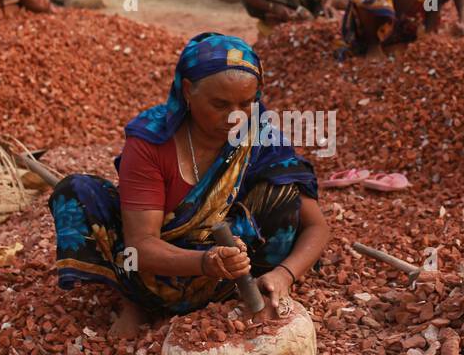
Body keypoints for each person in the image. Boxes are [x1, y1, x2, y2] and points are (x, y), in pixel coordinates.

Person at [49, 33, 330, 339]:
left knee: (283, 192)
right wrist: (206, 262)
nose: (236, 117)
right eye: (220, 104)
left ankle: (249, 294)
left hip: (232, 272)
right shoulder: (152, 141)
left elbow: (316, 226)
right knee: (76, 193)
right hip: (153, 269)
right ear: (187, 91)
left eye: (247, 103)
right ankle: (133, 302)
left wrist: (284, 275)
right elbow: (140, 246)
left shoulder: (260, 136)